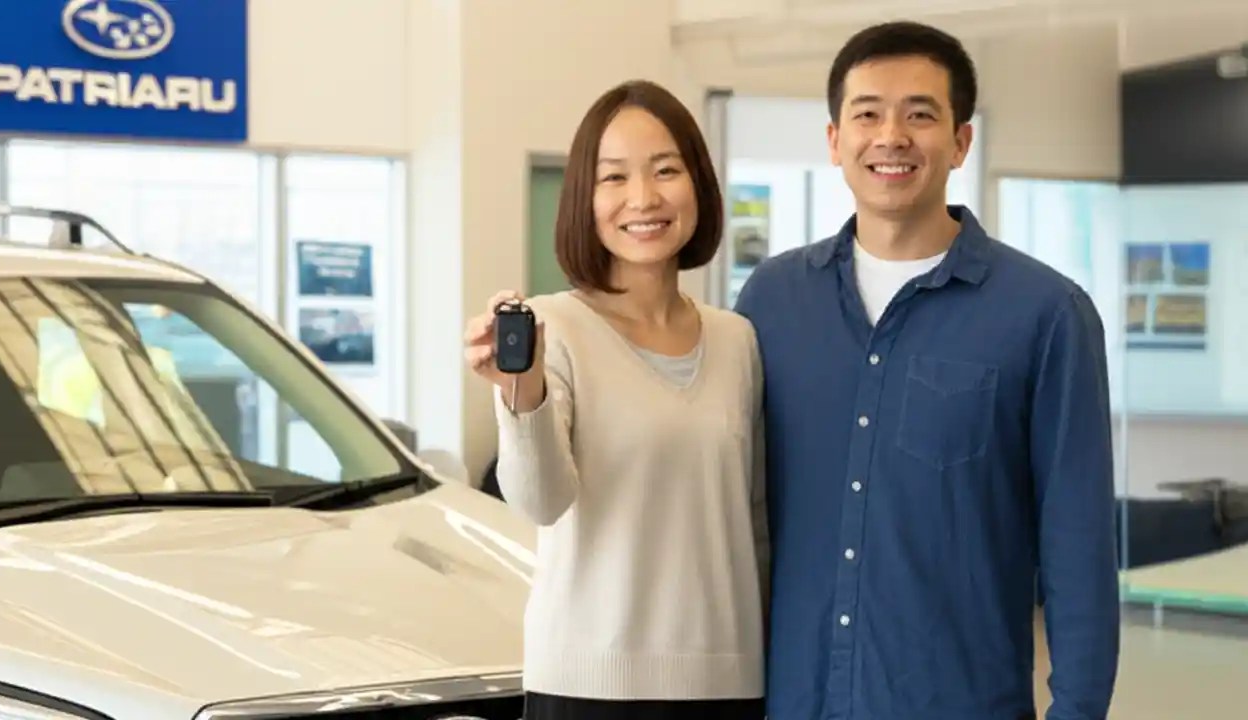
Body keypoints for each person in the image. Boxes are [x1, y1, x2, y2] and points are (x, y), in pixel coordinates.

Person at [734, 21, 1119, 720]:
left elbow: (1079, 545)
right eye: (868, 114)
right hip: (797, 702)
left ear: (961, 140)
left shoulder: (1045, 314)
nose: (891, 136)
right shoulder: (771, 302)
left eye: (920, 114)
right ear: (834, 141)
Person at [462, 79, 769, 720]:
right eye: (614, 178)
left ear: (699, 187)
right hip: (588, 684)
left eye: (665, 170)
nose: (644, 199)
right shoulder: (555, 327)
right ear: (585, 197)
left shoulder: (737, 339)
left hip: (727, 682)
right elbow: (541, 500)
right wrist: (521, 389)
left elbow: (756, 524)